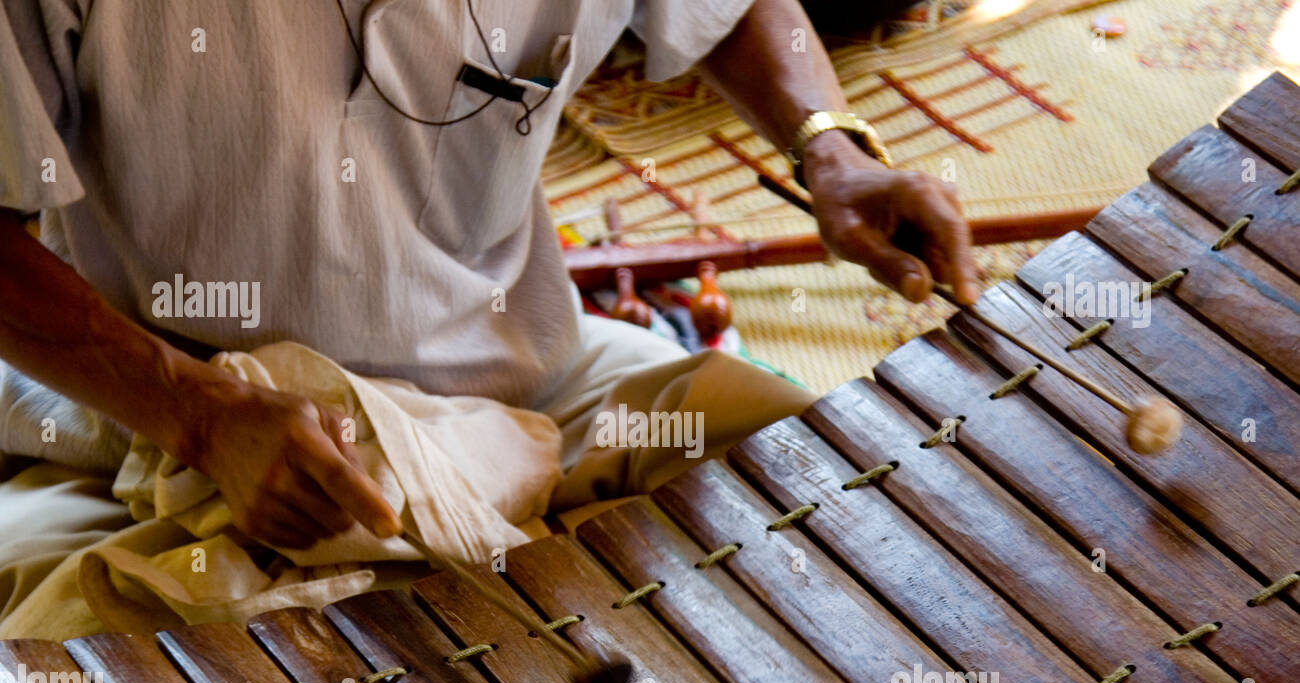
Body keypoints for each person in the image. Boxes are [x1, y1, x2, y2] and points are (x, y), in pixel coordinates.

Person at [0, 0, 977, 622]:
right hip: (174, 422)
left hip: (528, 377)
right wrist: (200, 413)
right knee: (78, 680)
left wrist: (832, 150)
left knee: (804, 483)